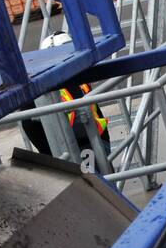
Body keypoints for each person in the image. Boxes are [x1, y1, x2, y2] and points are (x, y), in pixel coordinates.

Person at [21, 31, 111, 161]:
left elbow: (96, 113)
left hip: (91, 146)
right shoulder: (41, 90)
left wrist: (104, 145)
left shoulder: (80, 81)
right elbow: (29, 125)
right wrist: (53, 157)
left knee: (98, 178)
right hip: (68, 151)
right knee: (94, 178)